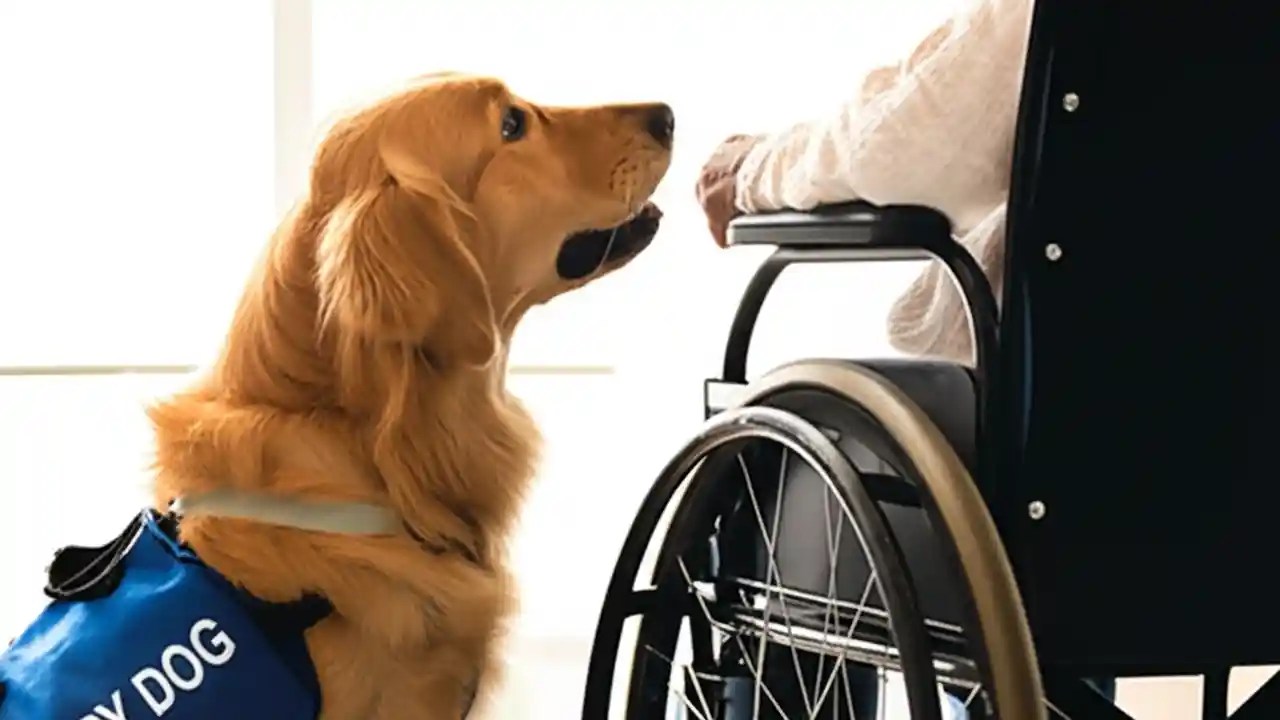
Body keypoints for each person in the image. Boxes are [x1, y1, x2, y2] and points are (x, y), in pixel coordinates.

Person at [695, 0, 1118, 714]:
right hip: (1233, 480)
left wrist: (753, 173)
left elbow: (912, 141)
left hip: (1061, 457)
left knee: (782, 441)